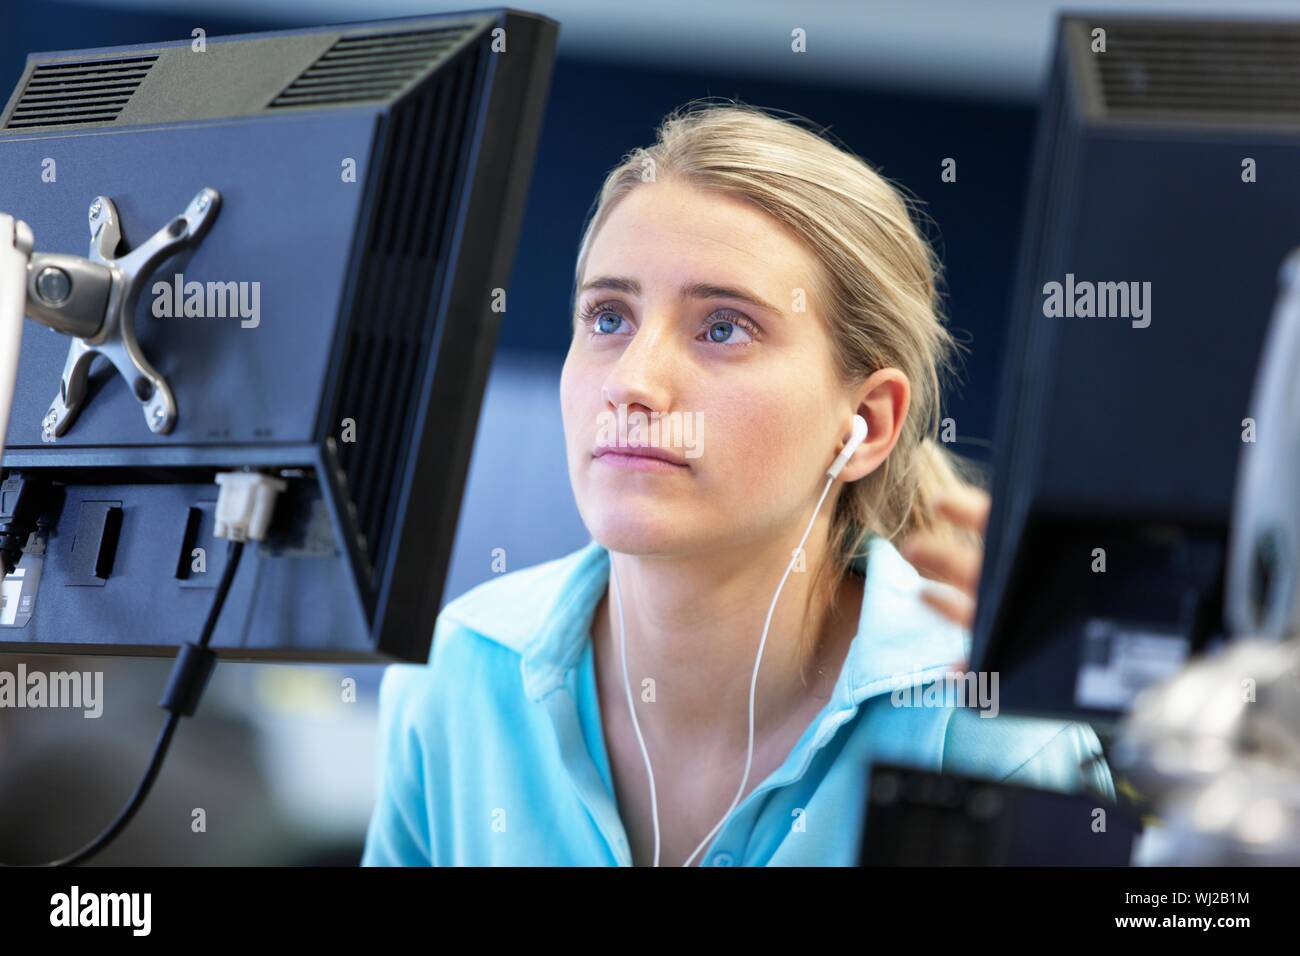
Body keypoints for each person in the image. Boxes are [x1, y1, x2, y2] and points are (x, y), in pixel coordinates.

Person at [361, 100, 1114, 867]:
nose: (633, 382)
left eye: (723, 327)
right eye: (609, 318)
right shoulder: (458, 671)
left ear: (868, 424)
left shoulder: (984, 726)